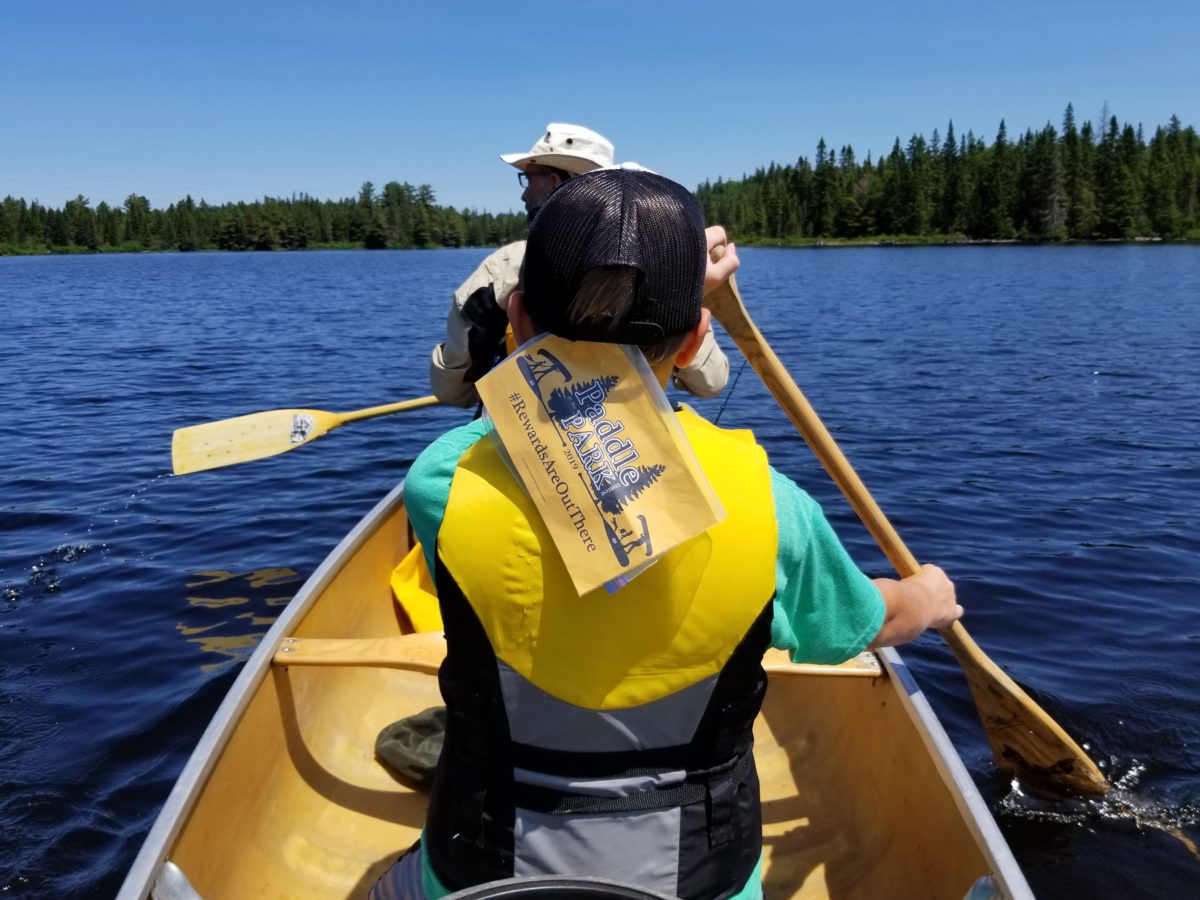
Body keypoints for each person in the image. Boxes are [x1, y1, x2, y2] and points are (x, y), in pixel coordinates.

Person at [379, 169, 961, 900]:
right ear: (694, 342)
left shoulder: (441, 481)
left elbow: (521, 433)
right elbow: (864, 624)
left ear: (518, 322)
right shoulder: (773, 506)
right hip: (700, 882)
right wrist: (929, 597)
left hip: (482, 874)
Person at [429, 122, 729, 407]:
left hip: (526, 439)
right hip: (633, 446)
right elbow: (710, 383)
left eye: (529, 178)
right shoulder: (672, 266)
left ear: (554, 181)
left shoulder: (504, 269)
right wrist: (690, 289)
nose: (523, 193)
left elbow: (453, 390)